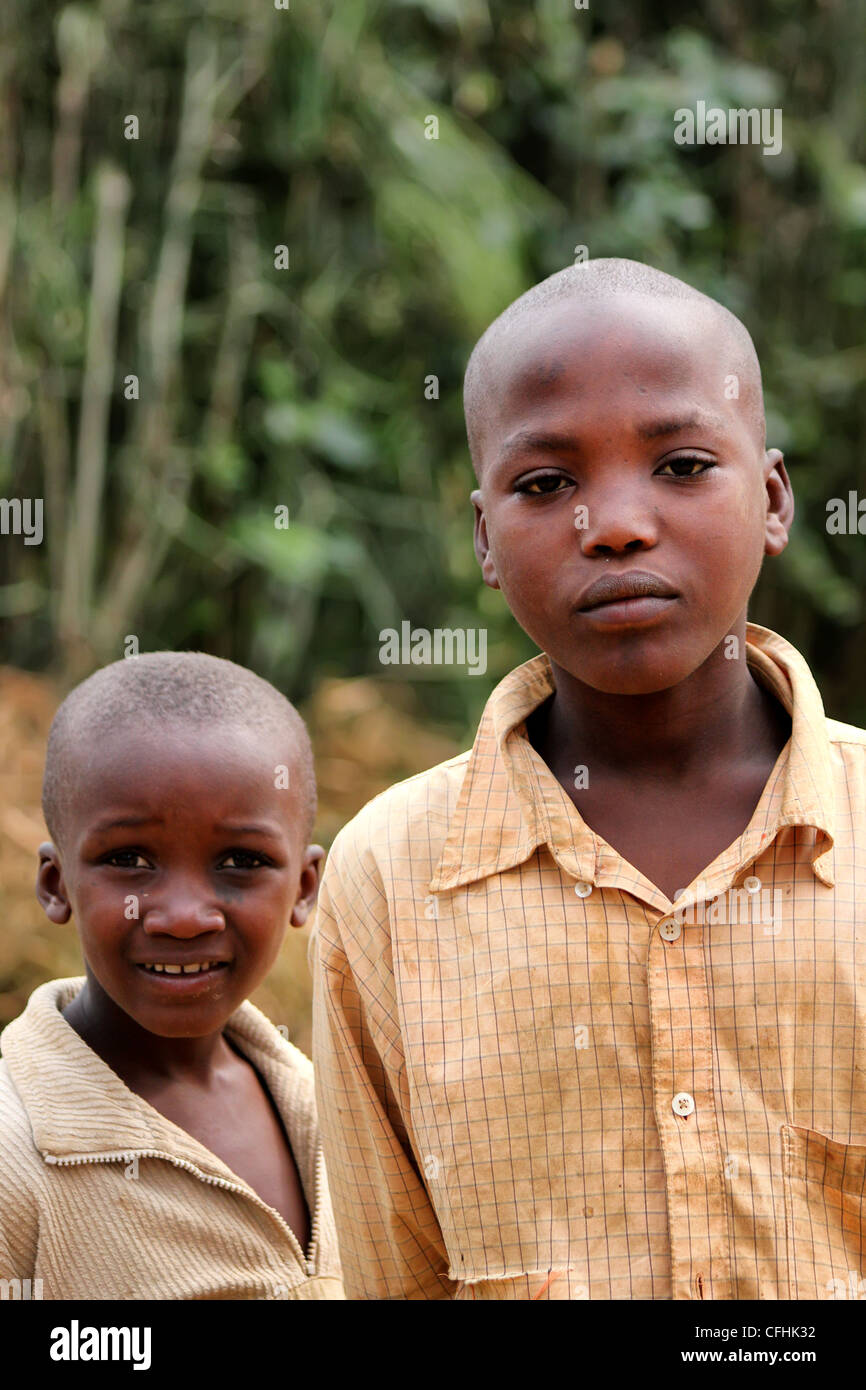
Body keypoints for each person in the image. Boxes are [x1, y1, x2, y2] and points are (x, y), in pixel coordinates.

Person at [311, 257, 866, 1300]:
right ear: (483, 535)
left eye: (682, 464)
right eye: (545, 483)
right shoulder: (388, 876)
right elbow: (393, 1278)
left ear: (773, 498)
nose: (609, 524)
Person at [0, 651, 344, 1299]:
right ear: (55, 884)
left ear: (303, 888)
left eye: (241, 861)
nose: (184, 918)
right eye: (129, 858)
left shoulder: (336, 1110)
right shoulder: (14, 1157)